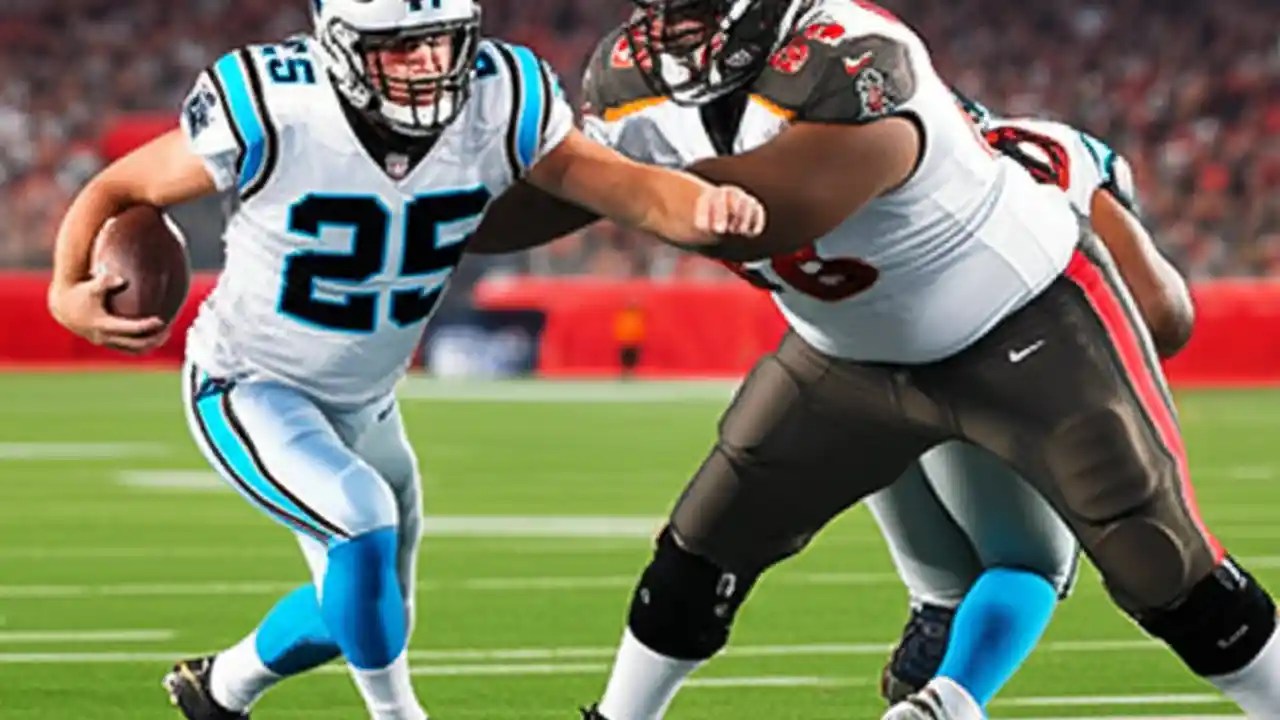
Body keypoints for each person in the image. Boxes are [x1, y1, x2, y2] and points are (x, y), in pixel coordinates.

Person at [471, 1, 1280, 718]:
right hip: (849, 355)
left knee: (1161, 566)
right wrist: (438, 199)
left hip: (1021, 329)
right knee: (703, 545)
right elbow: (545, 201)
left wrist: (607, 180)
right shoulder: (625, 74)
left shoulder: (855, 51)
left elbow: (772, 213)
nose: (671, 25)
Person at [45, 2, 765, 718]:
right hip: (250, 384)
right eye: (400, 48)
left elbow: (625, 186)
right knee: (361, 524)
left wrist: (702, 206)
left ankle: (221, 689)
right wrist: (64, 292)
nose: (428, 65)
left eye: (442, 43)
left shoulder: (500, 93)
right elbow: (120, 186)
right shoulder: (276, 101)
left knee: (371, 608)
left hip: (370, 399)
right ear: (340, 46)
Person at [872, 91, 1197, 710]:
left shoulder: (884, 148)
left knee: (946, 596)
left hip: (847, 375)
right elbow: (1164, 313)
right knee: (1028, 563)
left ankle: (938, 650)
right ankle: (947, 701)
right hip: (982, 358)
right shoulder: (1063, 153)